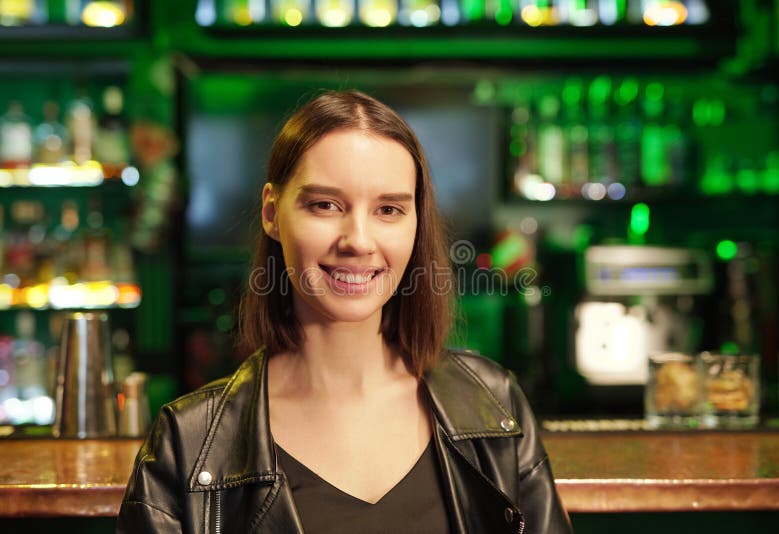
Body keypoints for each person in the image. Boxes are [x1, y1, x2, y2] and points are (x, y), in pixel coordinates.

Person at [117, 90, 572, 533]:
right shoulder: (189, 441)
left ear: (417, 222)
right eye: (326, 205)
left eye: (389, 209)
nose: (358, 239)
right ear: (272, 213)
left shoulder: (495, 405)